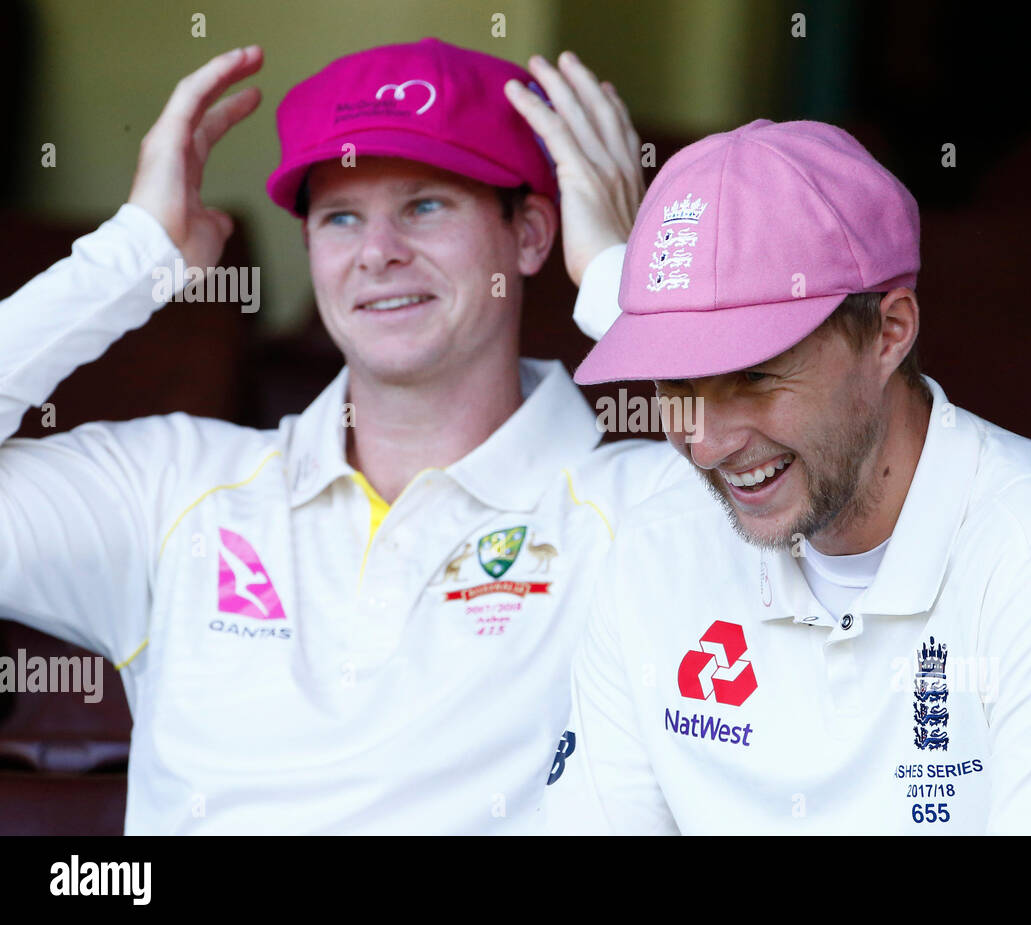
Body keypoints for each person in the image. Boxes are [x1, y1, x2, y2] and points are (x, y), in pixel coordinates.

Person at [0, 38, 687, 834]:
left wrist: (622, 283)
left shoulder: (643, 507)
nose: (377, 252)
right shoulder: (173, 489)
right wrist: (134, 251)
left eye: (425, 204)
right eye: (340, 216)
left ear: (533, 234)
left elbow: (846, 512)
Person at [542, 118, 1031, 834]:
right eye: (674, 384)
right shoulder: (655, 549)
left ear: (890, 332)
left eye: (754, 376)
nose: (706, 442)